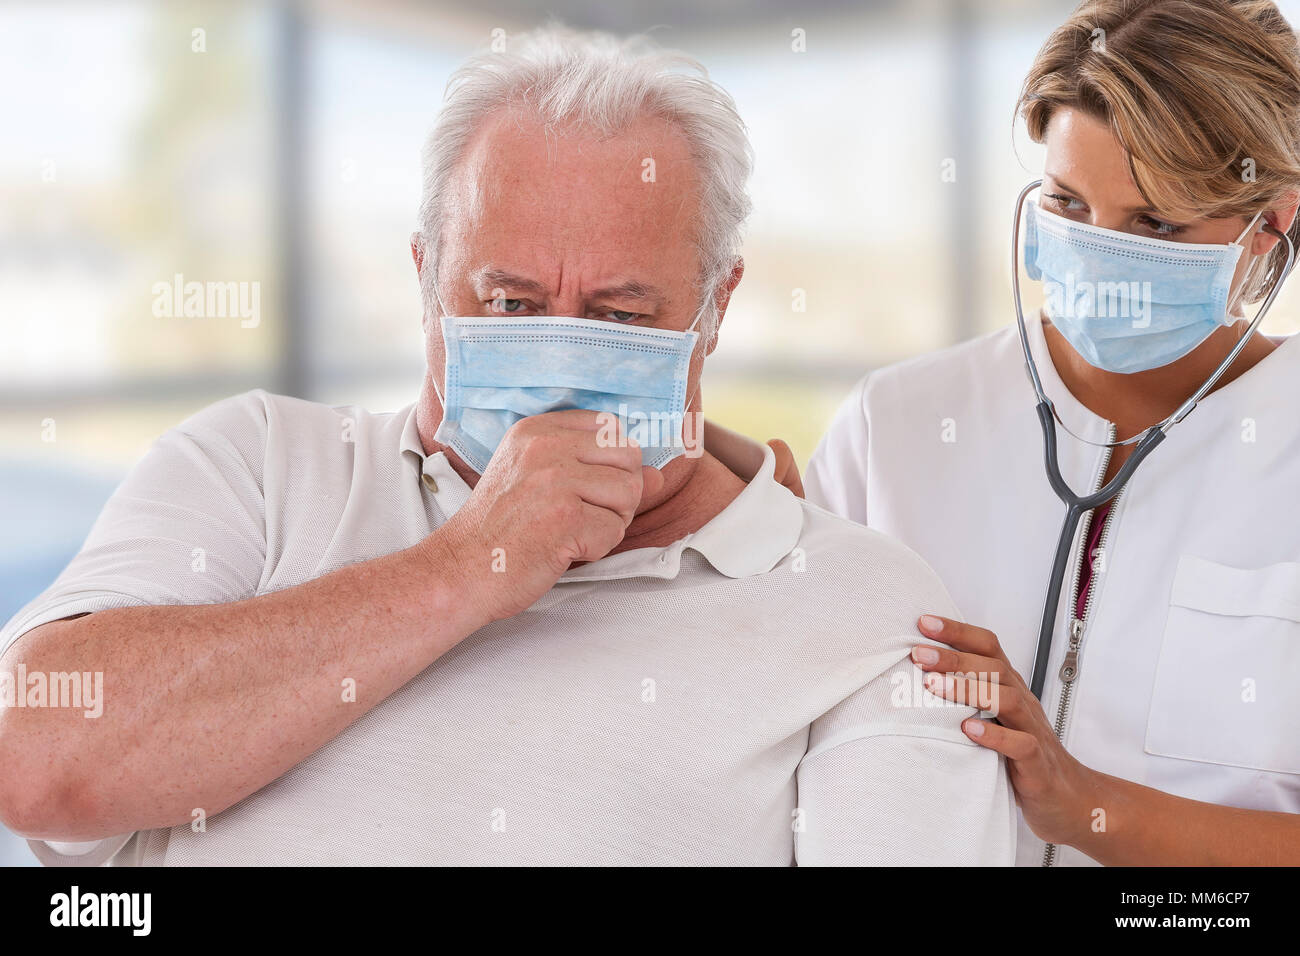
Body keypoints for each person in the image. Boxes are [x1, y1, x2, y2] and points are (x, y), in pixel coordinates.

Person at [0, 27, 1014, 866]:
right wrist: (470, 562)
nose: (562, 355)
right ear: (424, 276)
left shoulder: (863, 608)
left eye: (620, 316)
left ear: (716, 307)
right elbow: (36, 761)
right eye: (510, 303)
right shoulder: (257, 465)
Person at [712, 0, 1300, 866]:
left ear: (1271, 226)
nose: (1099, 251)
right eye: (1067, 202)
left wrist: (1089, 807)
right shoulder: (898, 425)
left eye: (1155, 224)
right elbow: (781, 724)